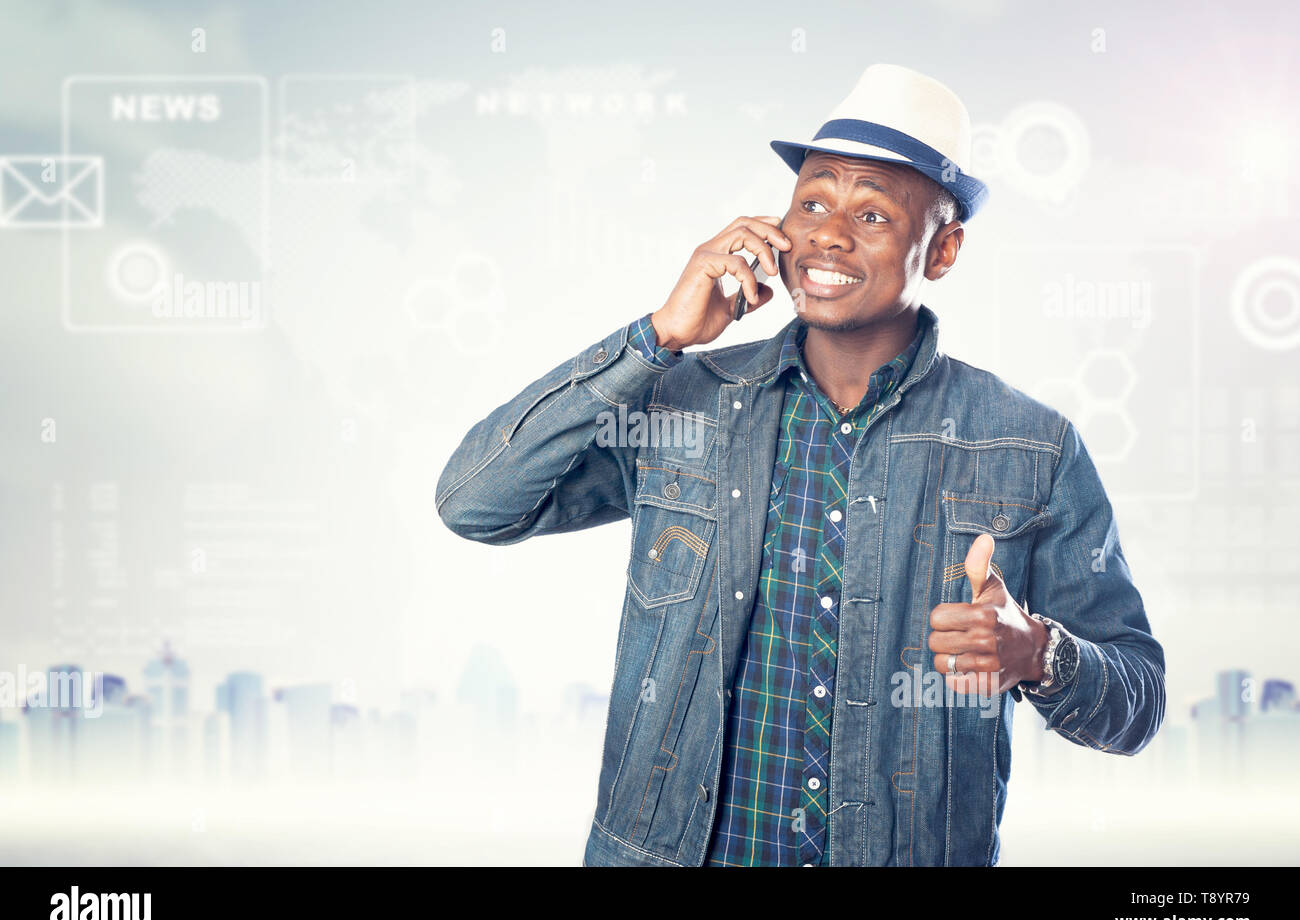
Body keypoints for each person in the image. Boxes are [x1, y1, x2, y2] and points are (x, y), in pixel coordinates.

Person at [436, 63, 1165, 866]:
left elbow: (1138, 704)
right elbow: (476, 502)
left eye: (873, 213)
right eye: (813, 201)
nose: (828, 234)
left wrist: (1038, 651)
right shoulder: (683, 400)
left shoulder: (1030, 446)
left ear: (946, 248)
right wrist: (657, 338)